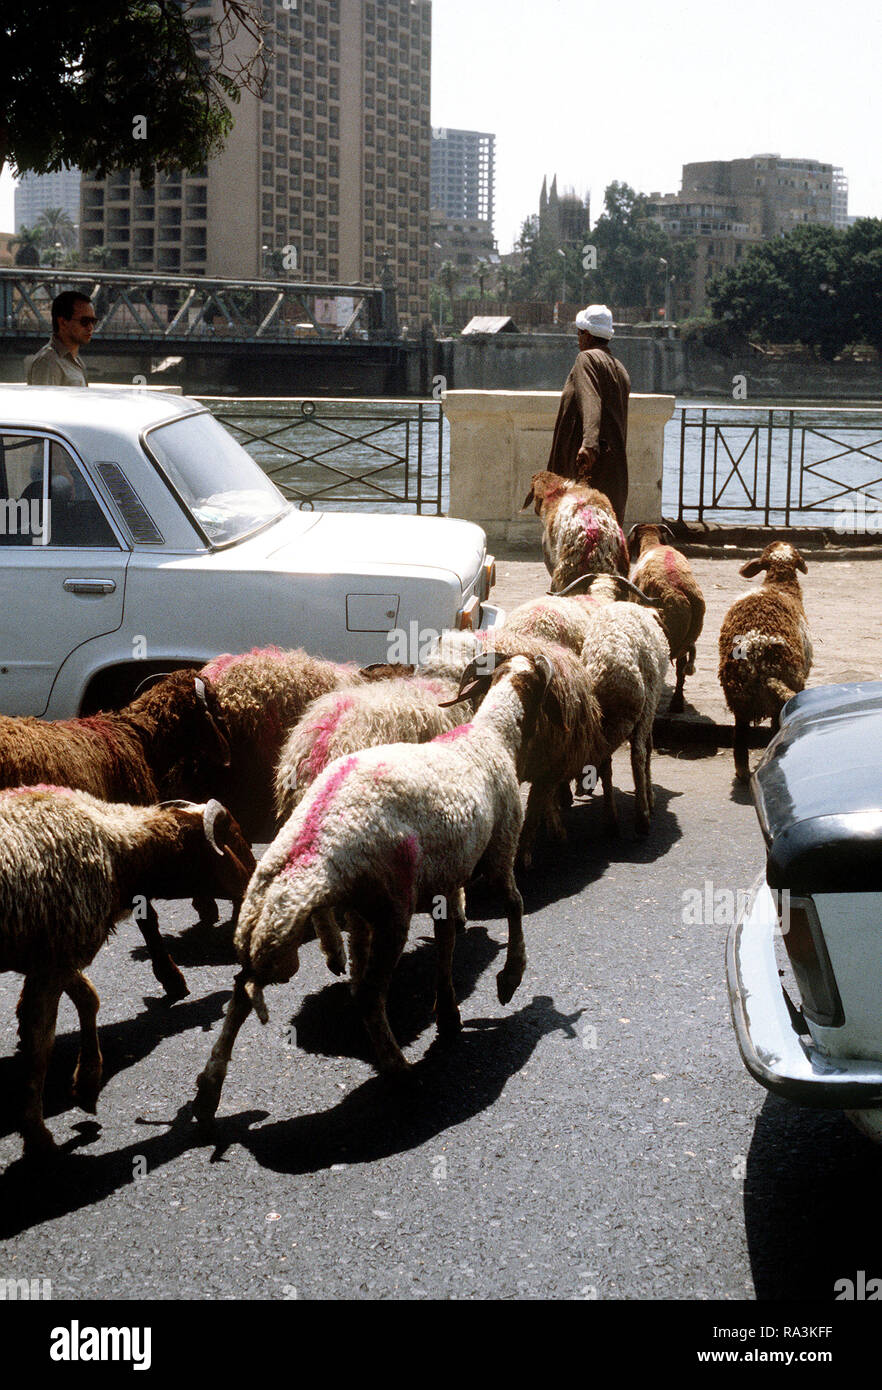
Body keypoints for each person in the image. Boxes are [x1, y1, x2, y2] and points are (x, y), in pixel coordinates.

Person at [545, 303, 630, 525]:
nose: (578, 339)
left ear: (587, 335)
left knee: (579, 535)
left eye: (579, 333)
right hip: (615, 472)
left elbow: (591, 401)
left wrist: (589, 444)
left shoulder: (587, 359)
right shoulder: (619, 368)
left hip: (590, 470)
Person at [26, 290, 96, 386]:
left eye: (93, 321)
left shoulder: (76, 360)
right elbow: (42, 400)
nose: (90, 327)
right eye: (85, 321)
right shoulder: (48, 362)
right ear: (63, 322)